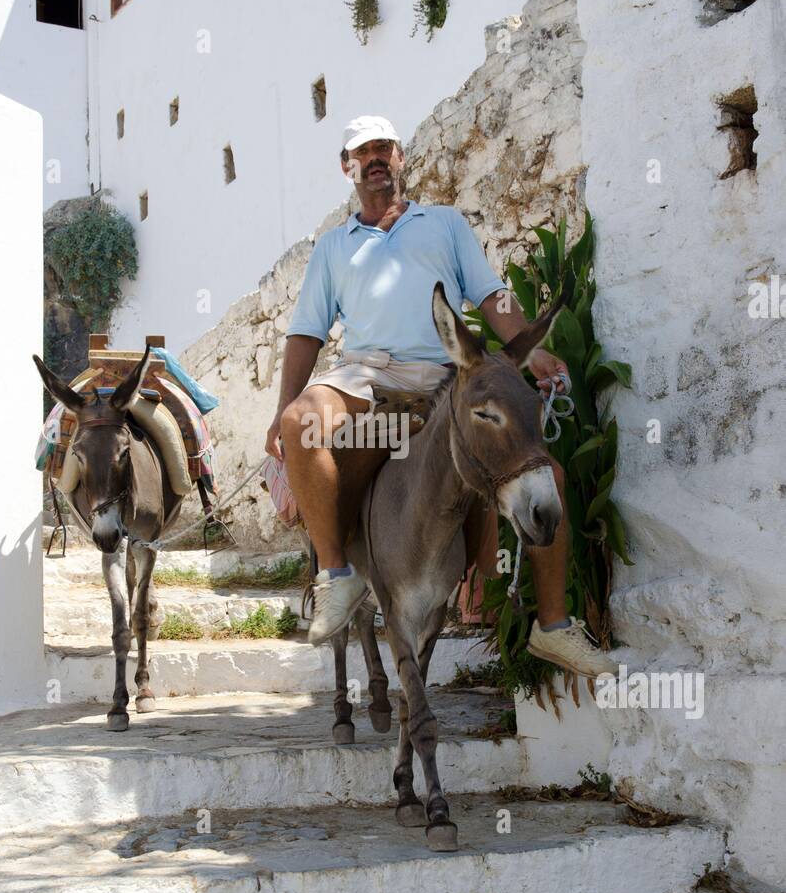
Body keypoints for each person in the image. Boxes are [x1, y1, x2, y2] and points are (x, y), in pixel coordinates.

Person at [264, 115, 616, 678]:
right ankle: (338, 575)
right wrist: (282, 409)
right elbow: (306, 331)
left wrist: (534, 352)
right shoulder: (333, 246)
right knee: (301, 420)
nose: (376, 158)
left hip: (444, 382)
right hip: (366, 378)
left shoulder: (444, 225)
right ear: (347, 167)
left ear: (401, 158)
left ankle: (554, 628)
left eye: (385, 148)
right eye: (364, 152)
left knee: (542, 469)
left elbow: (491, 294)